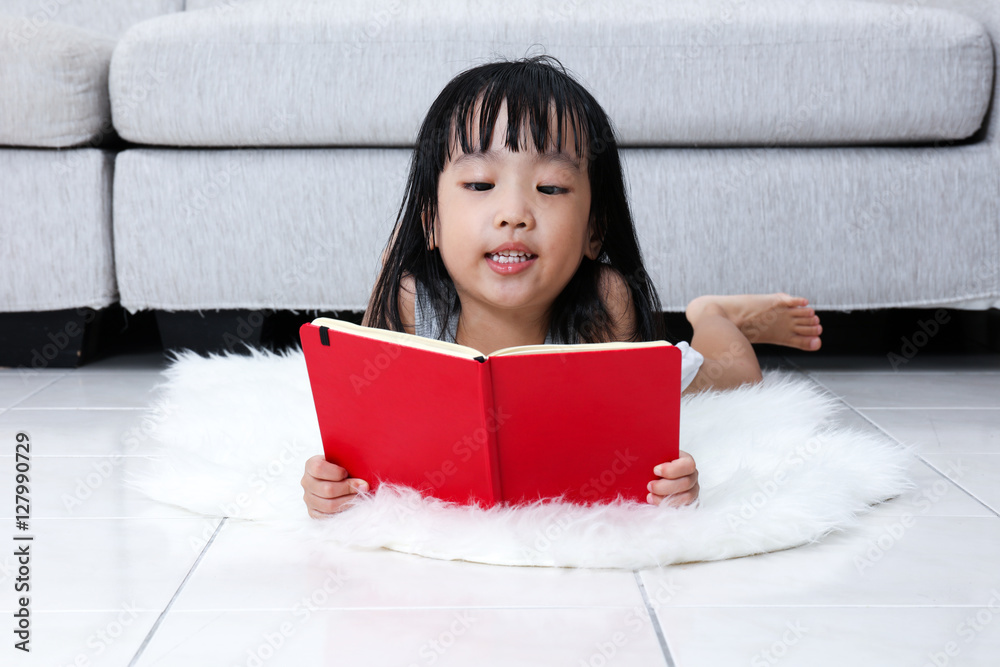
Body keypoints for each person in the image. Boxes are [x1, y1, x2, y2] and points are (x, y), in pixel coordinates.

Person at [302, 56, 822, 518]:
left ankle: (712, 313)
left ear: (594, 231)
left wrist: (671, 482)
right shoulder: (410, 301)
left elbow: (627, 455)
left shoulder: (604, 302)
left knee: (736, 377)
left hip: (638, 349)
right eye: (480, 185)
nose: (513, 215)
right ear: (431, 224)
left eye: (550, 188)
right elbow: (363, 447)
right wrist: (329, 484)